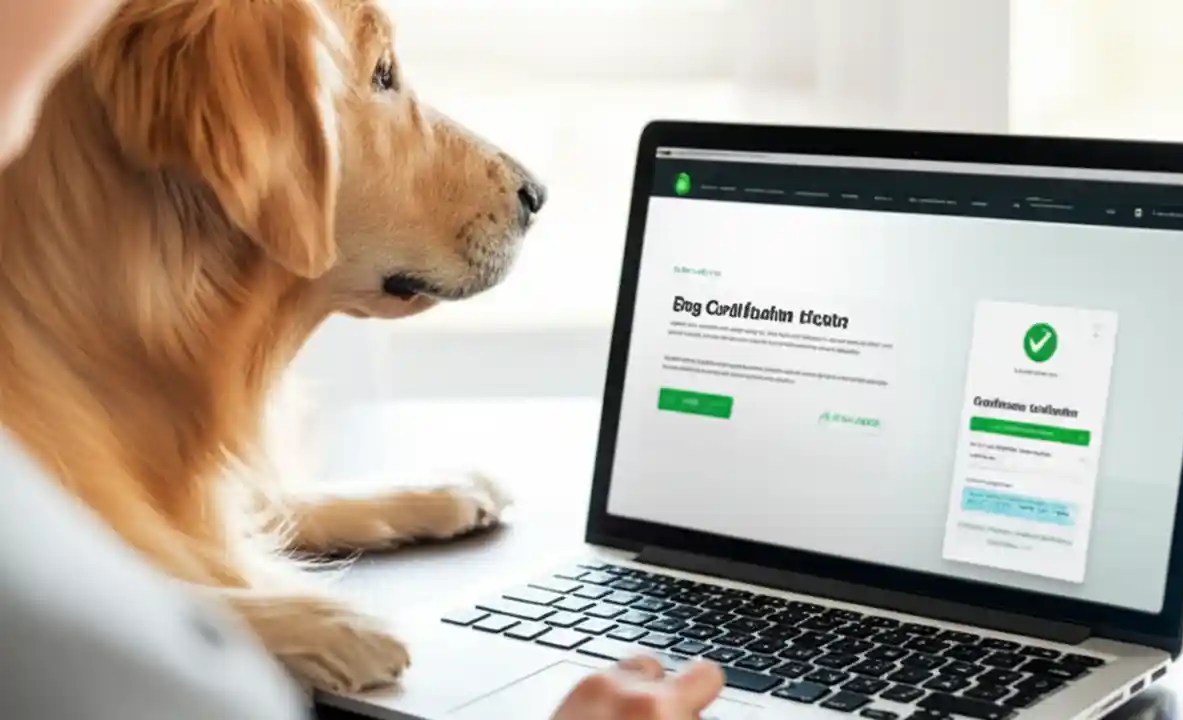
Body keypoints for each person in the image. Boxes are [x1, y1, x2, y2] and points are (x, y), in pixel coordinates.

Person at [0, 1, 726, 718]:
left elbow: (106, 503)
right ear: (269, 144)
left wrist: (332, 514)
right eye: (381, 76)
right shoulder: (148, 676)